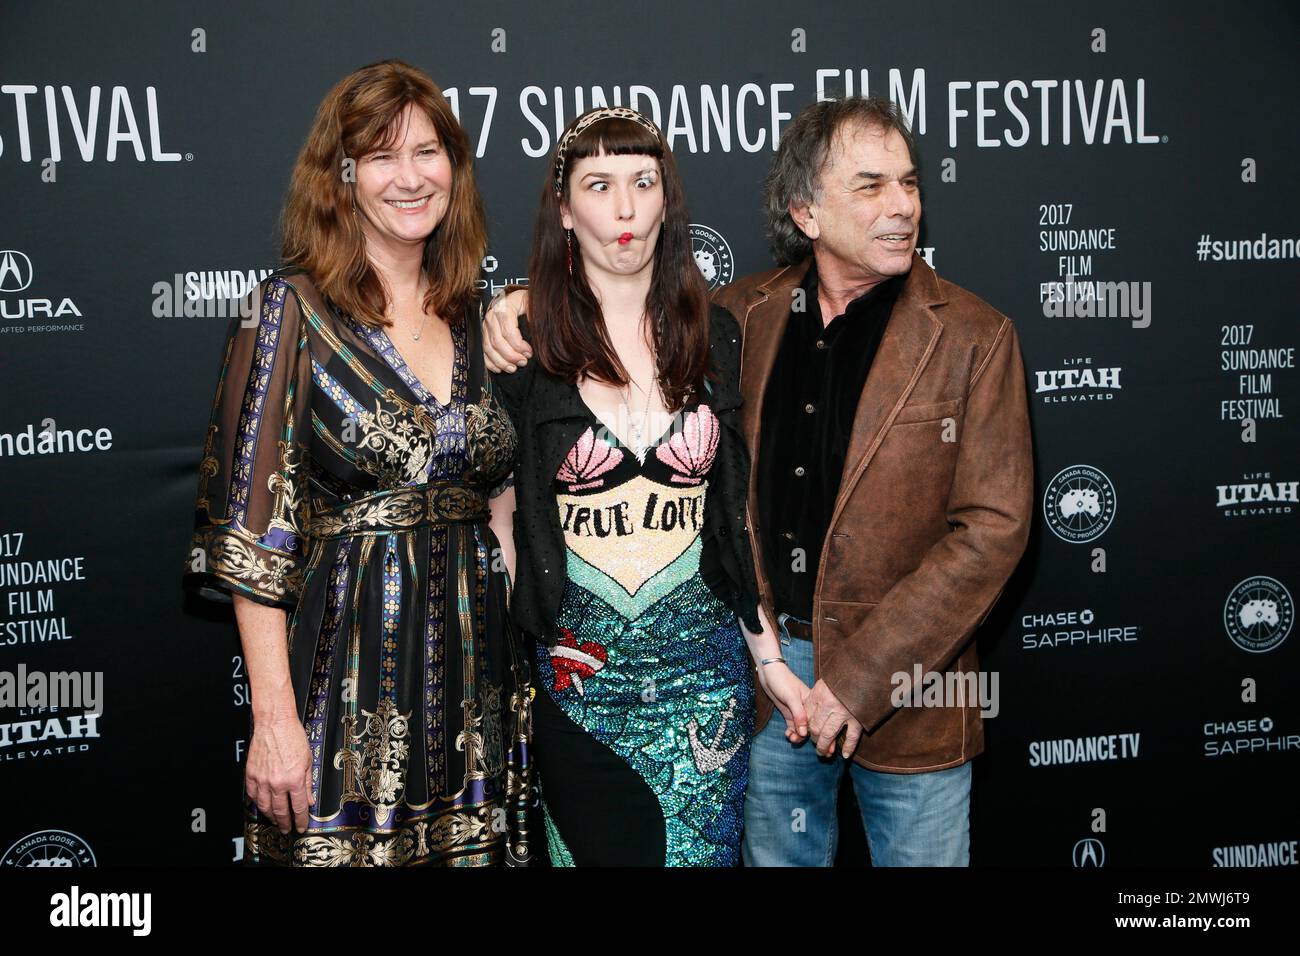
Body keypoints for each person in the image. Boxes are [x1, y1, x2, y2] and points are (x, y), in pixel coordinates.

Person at [483, 95, 1033, 866]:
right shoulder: (742, 315)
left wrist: (865, 677)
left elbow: (992, 532)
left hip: (910, 684)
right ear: (806, 211)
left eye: (909, 184)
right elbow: (613, 309)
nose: (903, 205)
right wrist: (515, 306)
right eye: (871, 185)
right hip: (760, 677)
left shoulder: (975, 337)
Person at [182, 60, 532, 867]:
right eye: (381, 157)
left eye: (427, 152)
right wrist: (274, 721)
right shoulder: (288, 312)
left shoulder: (482, 316)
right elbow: (249, 541)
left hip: (478, 691)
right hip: (345, 686)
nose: (410, 178)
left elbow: (501, 496)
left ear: (456, 166)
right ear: (340, 178)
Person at [488, 106, 807, 867]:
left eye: (643, 181)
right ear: (564, 209)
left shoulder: (715, 336)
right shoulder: (519, 349)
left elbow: (730, 524)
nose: (626, 208)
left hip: (707, 689)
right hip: (581, 692)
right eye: (599, 185)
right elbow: (502, 530)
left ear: (668, 198)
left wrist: (772, 666)